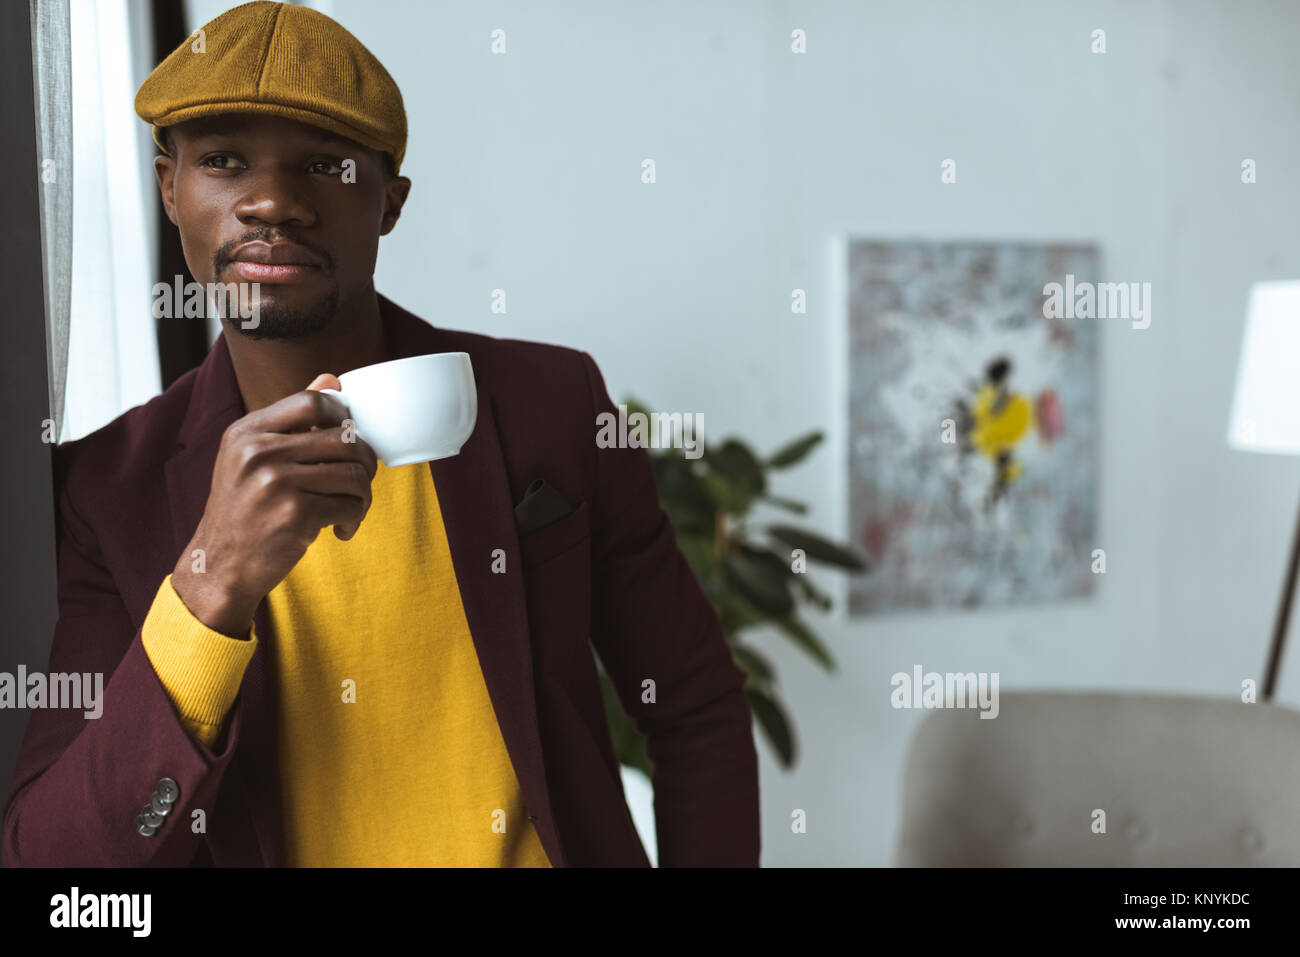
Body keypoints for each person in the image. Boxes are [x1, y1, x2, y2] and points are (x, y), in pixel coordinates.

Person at [2, 0, 758, 867]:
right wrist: (214, 578)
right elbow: (53, 864)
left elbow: (693, 704)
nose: (272, 202)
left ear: (390, 202)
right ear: (170, 187)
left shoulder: (552, 402)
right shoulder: (104, 486)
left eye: (325, 166)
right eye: (223, 161)